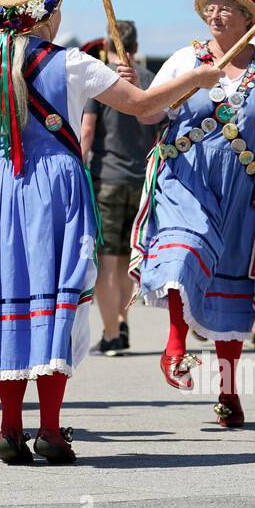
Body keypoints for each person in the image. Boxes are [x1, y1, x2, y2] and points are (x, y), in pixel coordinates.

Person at [0, 0, 220, 465]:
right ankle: (50, 429)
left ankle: (10, 427)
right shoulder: (71, 63)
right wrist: (196, 78)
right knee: (56, 301)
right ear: (49, 12)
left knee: (10, 299)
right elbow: (141, 105)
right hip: (52, 186)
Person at [132, 0, 255, 428]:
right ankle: (175, 347)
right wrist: (143, 88)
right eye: (210, 6)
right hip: (184, 175)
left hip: (239, 186)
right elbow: (148, 112)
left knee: (232, 283)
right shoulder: (185, 59)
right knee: (182, 250)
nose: (215, 13)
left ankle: (228, 391)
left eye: (227, 7)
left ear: (252, 20)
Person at [79, 19, 160, 357]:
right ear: (136, 47)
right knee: (129, 258)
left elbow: (87, 131)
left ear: (106, 48)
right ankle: (123, 319)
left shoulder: (99, 79)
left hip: (107, 178)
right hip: (143, 179)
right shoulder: (151, 79)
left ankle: (111, 333)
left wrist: (78, 167)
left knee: (106, 260)